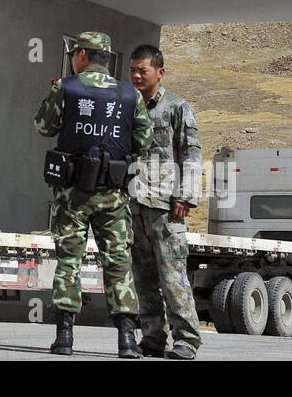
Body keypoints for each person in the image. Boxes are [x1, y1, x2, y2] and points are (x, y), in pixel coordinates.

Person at [34, 32, 170, 358]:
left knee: (69, 262)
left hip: (72, 196)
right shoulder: (129, 94)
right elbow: (145, 142)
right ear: (107, 59)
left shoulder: (65, 88)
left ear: (81, 55)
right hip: (113, 194)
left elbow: (44, 127)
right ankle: (126, 341)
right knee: (118, 264)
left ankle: (64, 338)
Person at [128, 44, 203, 360]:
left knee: (173, 277)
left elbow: (192, 153)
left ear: (159, 72)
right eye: (132, 70)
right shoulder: (127, 107)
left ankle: (187, 340)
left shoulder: (176, 107)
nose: (135, 76)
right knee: (143, 279)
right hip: (134, 205)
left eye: (141, 70)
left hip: (166, 207)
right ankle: (153, 338)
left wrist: (185, 195)